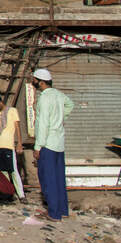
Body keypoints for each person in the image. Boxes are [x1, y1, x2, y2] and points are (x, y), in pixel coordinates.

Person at [31, 68, 75, 221]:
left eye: (34, 80)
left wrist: (38, 147)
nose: (33, 82)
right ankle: (63, 210)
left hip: (48, 144)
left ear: (40, 82)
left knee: (48, 179)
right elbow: (70, 105)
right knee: (58, 177)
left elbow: (43, 124)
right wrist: (61, 119)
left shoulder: (44, 98)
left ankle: (54, 213)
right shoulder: (58, 94)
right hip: (59, 142)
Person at [0, 92, 24, 195]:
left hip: (8, 145)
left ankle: (21, 194)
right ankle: (8, 193)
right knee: (3, 171)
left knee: (13, 171)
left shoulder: (12, 111)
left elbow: (17, 127)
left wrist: (19, 143)